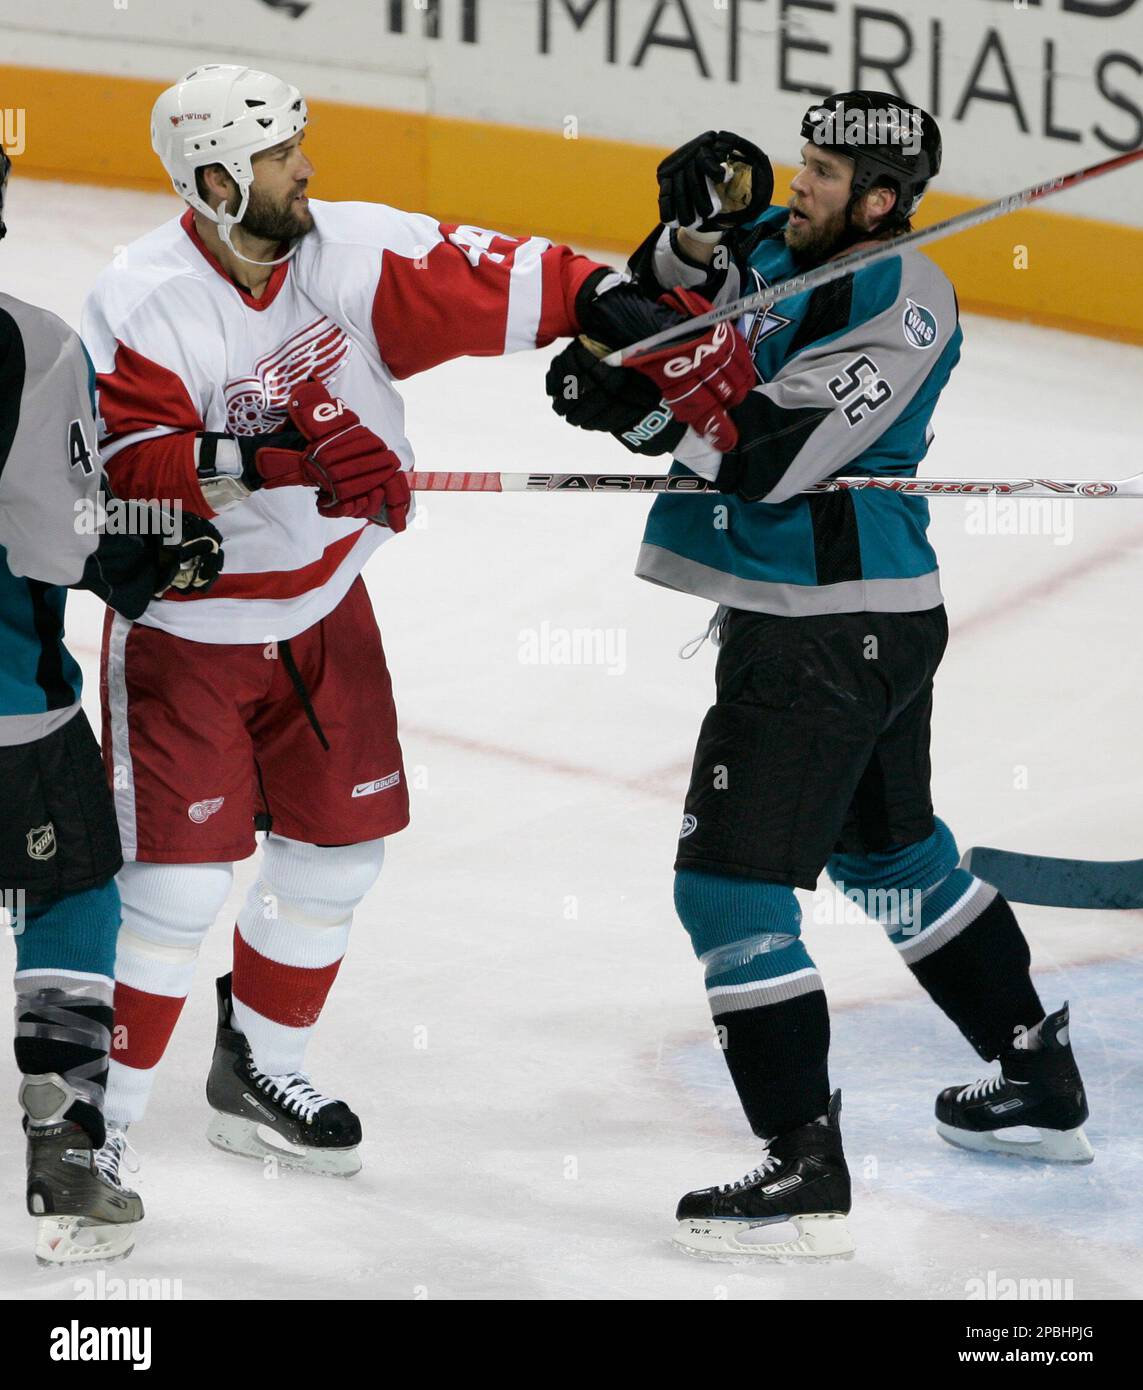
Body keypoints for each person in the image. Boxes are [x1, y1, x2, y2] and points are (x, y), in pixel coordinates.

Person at [82, 63, 750, 1198]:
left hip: (327, 608)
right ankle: (96, 1127)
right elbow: (125, 475)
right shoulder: (141, 296)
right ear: (213, 181)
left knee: (339, 858)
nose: (306, 168)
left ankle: (261, 1071)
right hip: (189, 633)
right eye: (278, 156)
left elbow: (493, 272)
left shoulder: (349, 251)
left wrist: (603, 301)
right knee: (174, 893)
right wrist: (274, 459)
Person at [546, 93, 1091, 1261]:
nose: (801, 184)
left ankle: (804, 1166)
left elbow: (768, 458)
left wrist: (640, 407)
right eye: (804, 161)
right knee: (892, 859)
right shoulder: (776, 248)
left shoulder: (907, 299)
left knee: (729, 889)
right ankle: (1036, 1074)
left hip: (829, 633)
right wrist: (681, 241)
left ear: (885, 201)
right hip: (844, 619)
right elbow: (678, 311)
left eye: (829, 173)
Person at [0, 142, 223, 1263]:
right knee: (73, 879)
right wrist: (159, 546)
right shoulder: (32, 345)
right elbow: (59, 535)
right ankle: (66, 1138)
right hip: (12, 718)